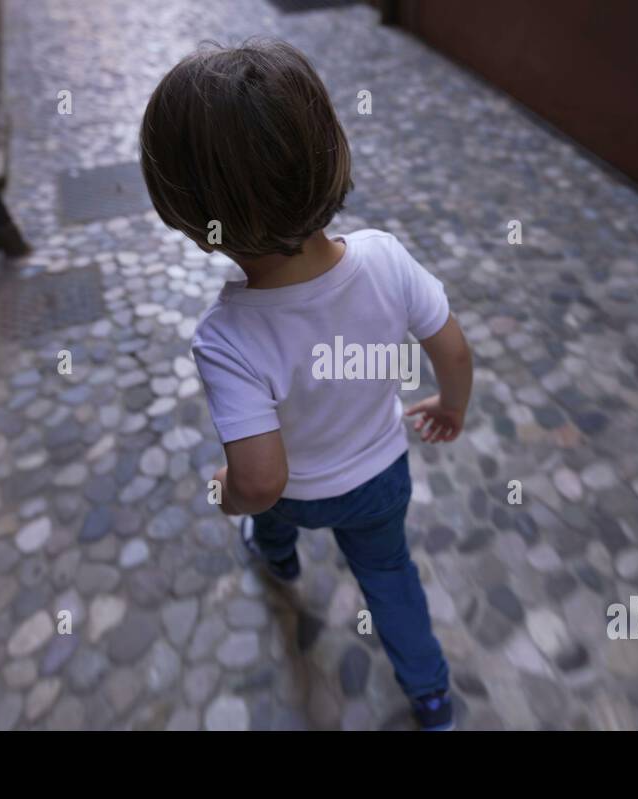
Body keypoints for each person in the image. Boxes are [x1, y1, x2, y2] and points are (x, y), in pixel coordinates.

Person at [139, 39, 473, 730]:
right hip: (382, 476)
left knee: (268, 514)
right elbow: (453, 347)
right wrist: (451, 404)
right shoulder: (386, 257)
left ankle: (277, 560)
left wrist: (228, 494)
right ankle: (432, 694)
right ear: (329, 154)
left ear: (191, 215)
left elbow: (259, 479)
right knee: (389, 578)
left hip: (297, 494)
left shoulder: (227, 335)